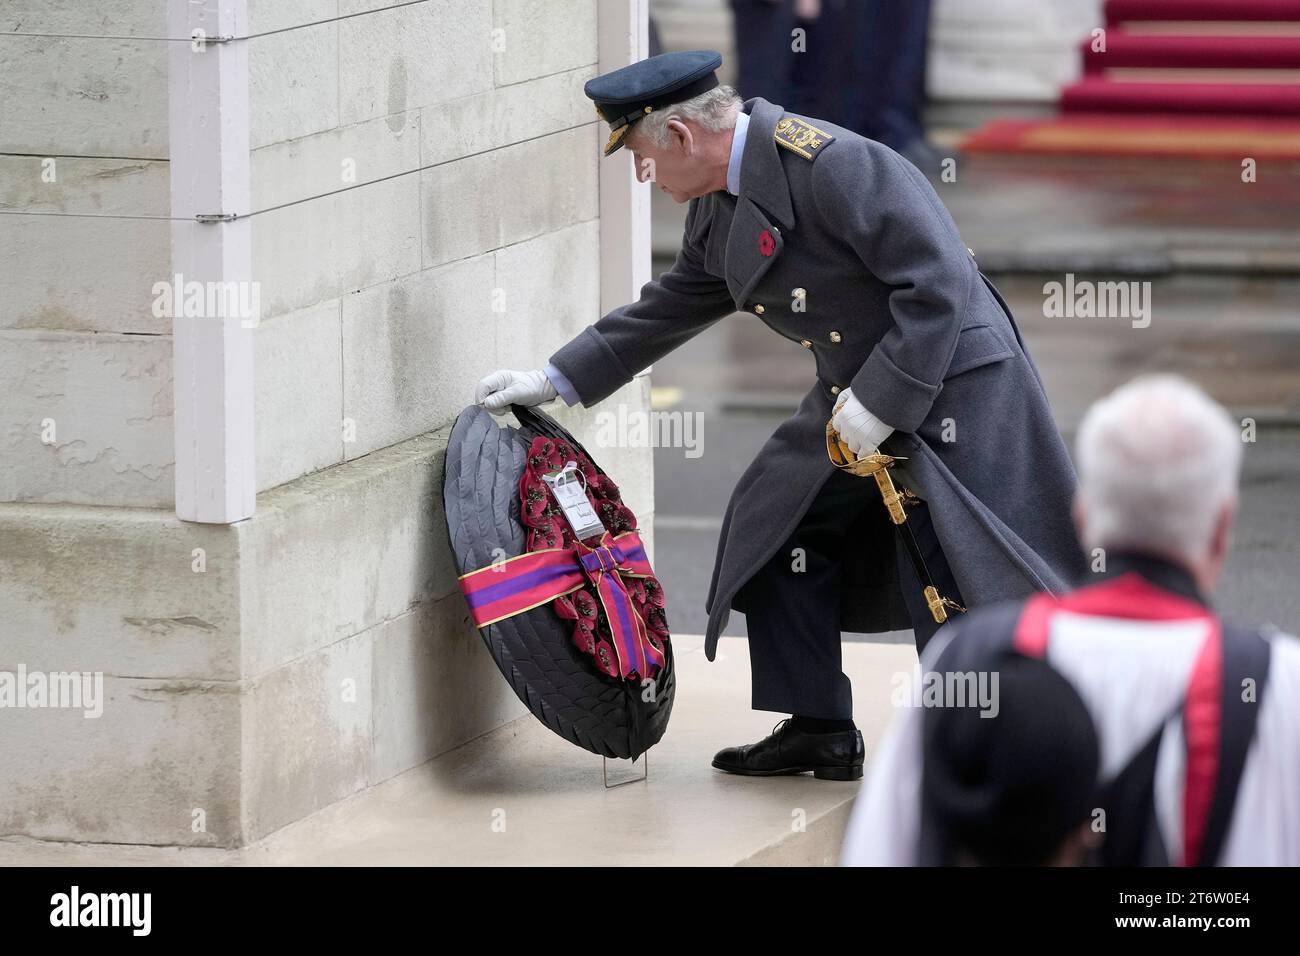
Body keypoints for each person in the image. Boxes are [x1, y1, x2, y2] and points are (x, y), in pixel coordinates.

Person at [475, 50, 1083, 782]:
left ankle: (983, 752)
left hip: (952, 382)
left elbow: (941, 285)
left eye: (641, 158)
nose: (645, 177)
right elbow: (673, 304)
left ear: (681, 138)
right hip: (853, 391)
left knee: (954, 562)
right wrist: (556, 378)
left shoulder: (834, 165)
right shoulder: (716, 202)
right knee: (777, 523)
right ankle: (819, 727)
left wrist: (885, 400)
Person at [842, 375, 1300, 865]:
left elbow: (880, 852)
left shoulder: (966, 661)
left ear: (1084, 519)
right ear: (1221, 530)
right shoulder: (1281, 687)